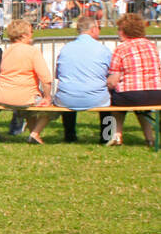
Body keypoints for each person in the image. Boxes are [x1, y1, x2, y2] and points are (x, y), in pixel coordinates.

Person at [27, 15, 111, 144]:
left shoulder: (65, 49)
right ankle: (106, 136)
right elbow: (109, 73)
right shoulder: (103, 50)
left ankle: (69, 134)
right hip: (96, 98)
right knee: (111, 99)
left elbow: (58, 74)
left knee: (67, 91)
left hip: (67, 98)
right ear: (94, 29)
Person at [105, 12, 161, 148]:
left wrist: (108, 85)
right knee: (143, 107)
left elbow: (113, 80)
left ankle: (116, 135)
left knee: (115, 101)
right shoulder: (152, 46)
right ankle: (149, 138)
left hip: (131, 94)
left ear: (123, 31)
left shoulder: (121, 49)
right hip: (156, 94)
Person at [0, 19, 52, 139]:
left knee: (27, 108)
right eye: (31, 32)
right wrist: (47, 97)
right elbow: (46, 78)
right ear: (24, 35)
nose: (32, 34)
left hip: (1, 97)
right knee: (52, 107)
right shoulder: (32, 51)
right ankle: (35, 133)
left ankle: (32, 135)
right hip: (25, 98)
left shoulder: (6, 51)